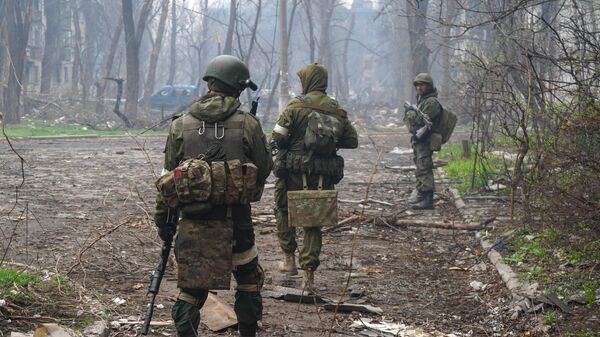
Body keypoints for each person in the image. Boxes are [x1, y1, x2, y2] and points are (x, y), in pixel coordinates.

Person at [153, 55, 273, 337]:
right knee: (249, 280)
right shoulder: (248, 124)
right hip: (237, 222)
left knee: (192, 289)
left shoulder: (180, 124)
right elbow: (265, 169)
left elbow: (167, 179)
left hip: (193, 223)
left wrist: (163, 221)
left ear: (210, 83)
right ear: (237, 87)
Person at [271, 63, 358, 289]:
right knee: (314, 222)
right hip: (322, 175)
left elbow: (278, 137)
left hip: (292, 173)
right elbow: (352, 140)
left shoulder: (295, 106)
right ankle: (309, 277)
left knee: (283, 210)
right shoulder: (336, 109)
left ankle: (289, 260)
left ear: (307, 81)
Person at [405, 73, 443, 210]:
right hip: (420, 139)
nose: (419, 88)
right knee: (420, 166)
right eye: (417, 85)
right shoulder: (422, 100)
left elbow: (420, 120)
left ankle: (427, 199)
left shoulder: (431, 102)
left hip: (426, 139)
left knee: (424, 167)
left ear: (429, 86)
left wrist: (411, 114)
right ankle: (421, 193)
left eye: (422, 85)